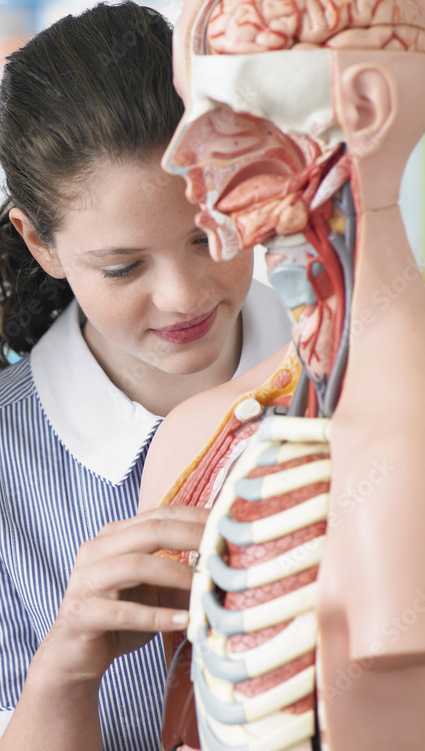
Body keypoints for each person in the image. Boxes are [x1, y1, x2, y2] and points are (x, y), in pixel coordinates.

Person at [0, 4, 293, 750]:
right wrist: (67, 664)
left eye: (209, 234)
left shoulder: (364, 369)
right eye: (122, 266)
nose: (182, 294)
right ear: (40, 242)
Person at [139, 0, 425, 747]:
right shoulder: (194, 439)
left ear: (364, 106)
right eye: (189, 111)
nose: (184, 158)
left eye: (230, 109)